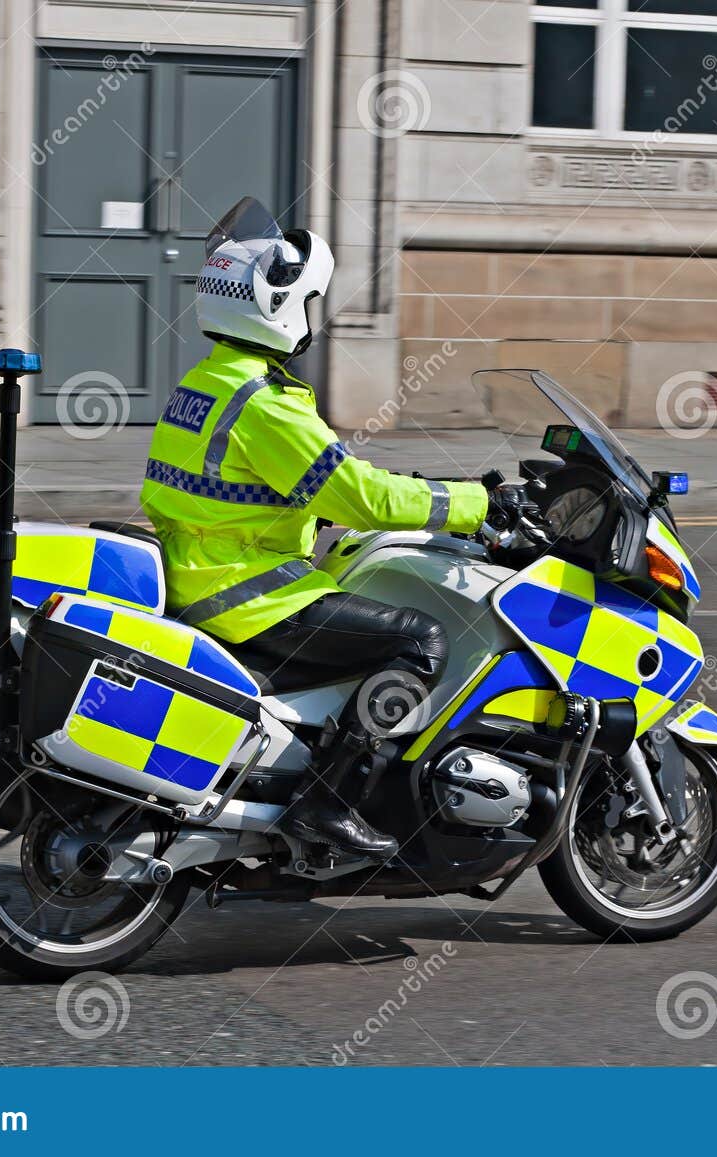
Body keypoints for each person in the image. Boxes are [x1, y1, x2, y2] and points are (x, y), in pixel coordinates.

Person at [140, 197, 513, 861]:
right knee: (420, 640)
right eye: (310, 302)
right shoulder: (265, 404)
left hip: (202, 572)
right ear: (278, 306)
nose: (313, 316)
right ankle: (326, 801)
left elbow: (279, 488)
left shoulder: (204, 384)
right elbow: (363, 496)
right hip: (250, 596)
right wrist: (473, 504)